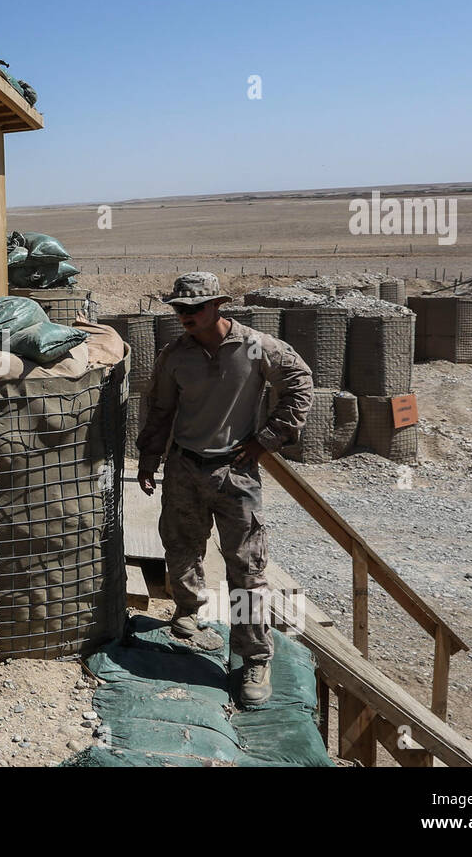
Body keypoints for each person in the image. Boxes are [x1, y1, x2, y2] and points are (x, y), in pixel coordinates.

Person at [135, 272, 313, 706]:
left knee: (246, 570)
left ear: (217, 306)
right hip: (184, 468)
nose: (185, 317)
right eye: (179, 310)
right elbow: (160, 408)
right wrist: (149, 456)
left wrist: (267, 439)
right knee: (180, 547)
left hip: (236, 471)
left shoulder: (255, 346)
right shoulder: (175, 355)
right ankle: (187, 615)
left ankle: (253, 657)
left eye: (193, 309)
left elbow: (300, 384)